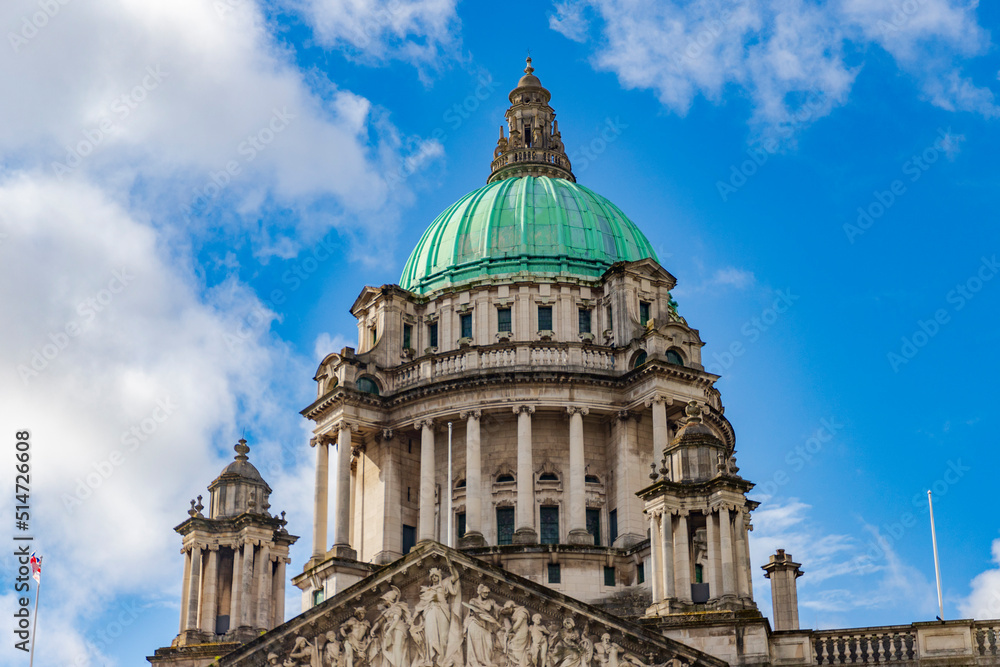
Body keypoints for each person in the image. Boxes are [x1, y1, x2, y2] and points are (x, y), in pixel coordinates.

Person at [413, 562, 461, 665]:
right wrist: (412, 619)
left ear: (439, 577)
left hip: (443, 612)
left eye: (436, 576)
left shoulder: (444, 584)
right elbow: (420, 606)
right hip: (430, 612)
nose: (434, 578)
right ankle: (430, 660)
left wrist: (450, 563)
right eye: (432, 576)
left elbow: (456, 576)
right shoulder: (427, 590)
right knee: (431, 637)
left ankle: (442, 660)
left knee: (443, 637)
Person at [464, 584, 502, 667]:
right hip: (475, 623)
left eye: (488, 593)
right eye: (485, 593)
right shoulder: (473, 601)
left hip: (486, 626)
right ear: (480, 592)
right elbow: (477, 612)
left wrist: (502, 609)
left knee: (489, 644)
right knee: (476, 644)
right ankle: (475, 663)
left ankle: (487, 661)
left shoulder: (491, 601)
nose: (487, 594)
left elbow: (497, 607)